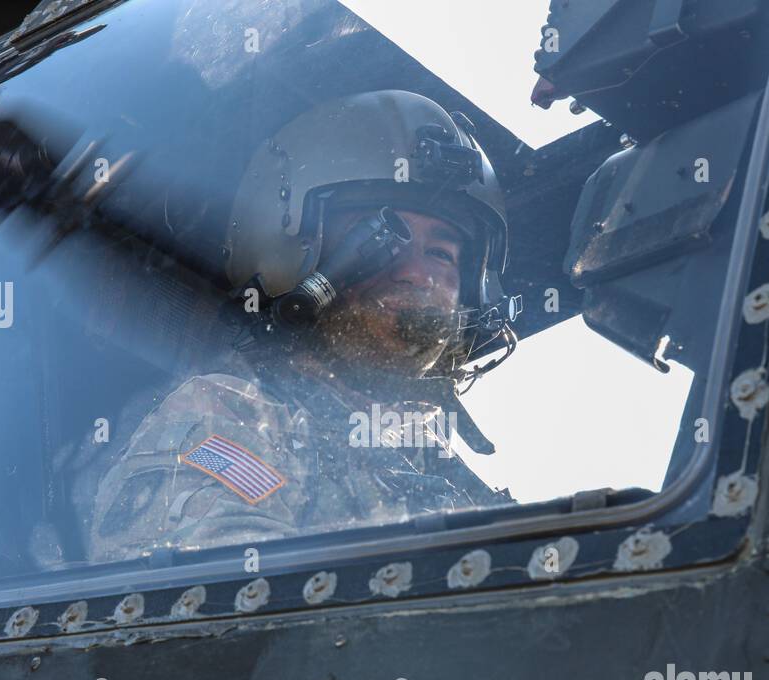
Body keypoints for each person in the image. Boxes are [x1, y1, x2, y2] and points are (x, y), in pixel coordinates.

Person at [85, 90, 521, 563]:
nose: (418, 274)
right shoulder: (234, 417)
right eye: (382, 239)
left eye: (441, 253)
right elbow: (229, 612)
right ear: (288, 251)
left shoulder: (430, 453)